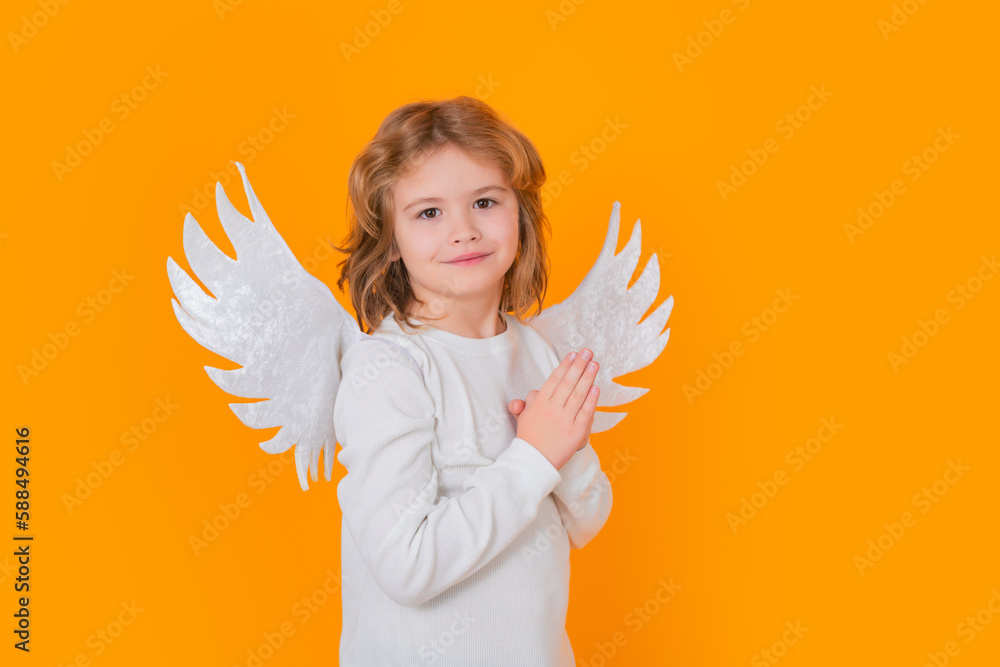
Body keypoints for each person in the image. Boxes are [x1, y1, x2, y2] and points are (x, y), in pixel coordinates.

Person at [332, 95, 613, 666]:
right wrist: (535, 454)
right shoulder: (390, 368)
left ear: (520, 215)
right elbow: (408, 567)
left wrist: (568, 452)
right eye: (428, 213)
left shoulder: (538, 350)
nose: (463, 231)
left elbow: (587, 521)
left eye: (485, 201)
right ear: (390, 240)